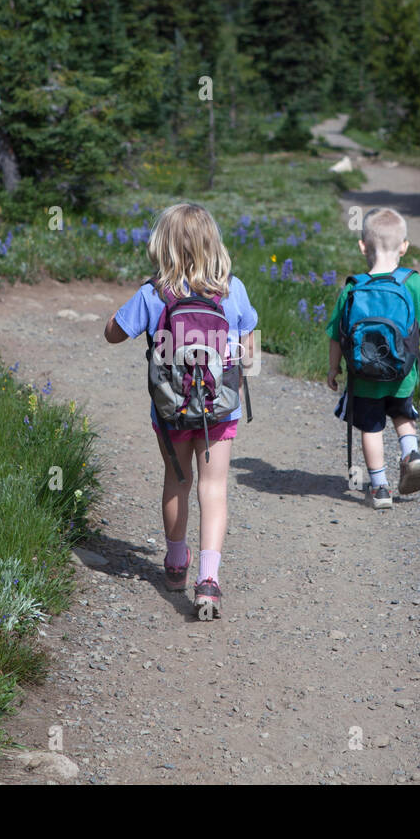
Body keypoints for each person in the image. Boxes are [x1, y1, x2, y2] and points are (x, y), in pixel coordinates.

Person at [103, 203, 257, 618]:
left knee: (178, 481)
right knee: (214, 488)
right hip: (219, 410)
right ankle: (209, 580)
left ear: (162, 246)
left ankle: (175, 564)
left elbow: (111, 335)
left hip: (170, 410)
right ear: (214, 243)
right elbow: (249, 352)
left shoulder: (154, 293)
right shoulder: (232, 289)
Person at [325, 208, 420, 509]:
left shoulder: (353, 287)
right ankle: (410, 453)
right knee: (404, 416)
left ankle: (379, 488)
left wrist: (332, 368)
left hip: (364, 377)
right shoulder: (413, 283)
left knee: (372, 428)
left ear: (363, 246)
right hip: (403, 373)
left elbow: (336, 335)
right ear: (404, 246)